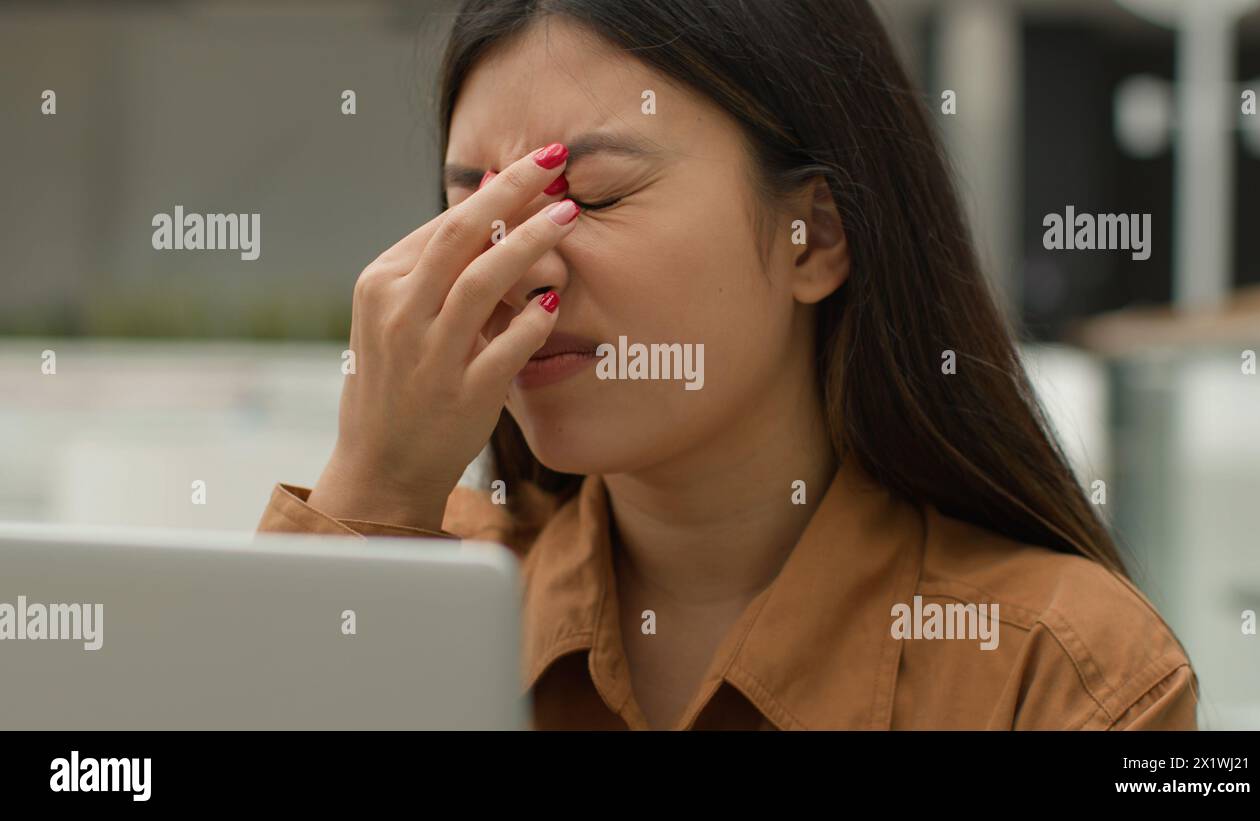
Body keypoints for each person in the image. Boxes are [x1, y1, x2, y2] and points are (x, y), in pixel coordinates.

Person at [257, 0, 1198, 730]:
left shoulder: (1064, 672)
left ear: (814, 236)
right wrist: (370, 496)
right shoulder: (417, 578)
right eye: (475, 208)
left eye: (588, 193)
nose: (516, 265)